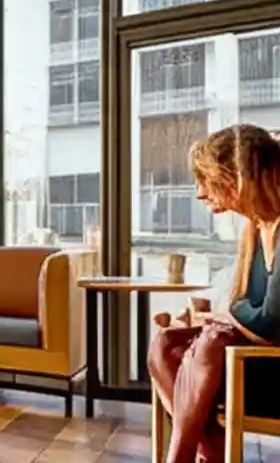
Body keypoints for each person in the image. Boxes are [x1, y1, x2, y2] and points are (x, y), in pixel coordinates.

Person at [148, 124, 280, 463]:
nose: (200, 193)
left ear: (237, 179)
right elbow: (245, 306)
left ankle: (179, 458)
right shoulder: (256, 227)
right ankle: (209, 455)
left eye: (206, 179)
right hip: (248, 360)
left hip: (271, 369)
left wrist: (222, 318)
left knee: (211, 340)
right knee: (164, 344)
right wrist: (222, 318)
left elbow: (270, 323)